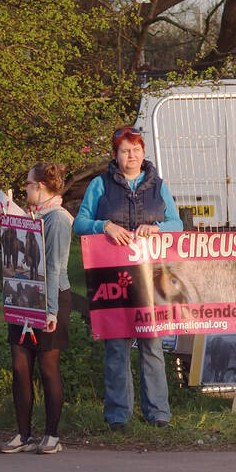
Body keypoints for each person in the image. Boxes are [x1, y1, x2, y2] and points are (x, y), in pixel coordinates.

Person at [75, 126, 182, 432]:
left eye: (136, 150)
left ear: (143, 152)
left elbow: (178, 223)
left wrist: (158, 227)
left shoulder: (158, 185)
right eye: (124, 151)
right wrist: (103, 225)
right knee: (117, 348)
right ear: (115, 155)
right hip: (112, 277)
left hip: (151, 278)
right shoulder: (99, 185)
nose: (131, 156)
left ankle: (158, 414)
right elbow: (80, 223)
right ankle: (118, 417)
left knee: (152, 345)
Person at [1, 162, 73, 454]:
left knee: (47, 365)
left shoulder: (57, 218)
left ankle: (52, 435)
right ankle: (22, 433)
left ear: (40, 187)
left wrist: (51, 311)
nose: (26, 189)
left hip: (50, 296)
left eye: (29, 185)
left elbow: (54, 266)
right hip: (24, 293)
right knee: (20, 365)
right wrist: (6, 225)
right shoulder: (32, 215)